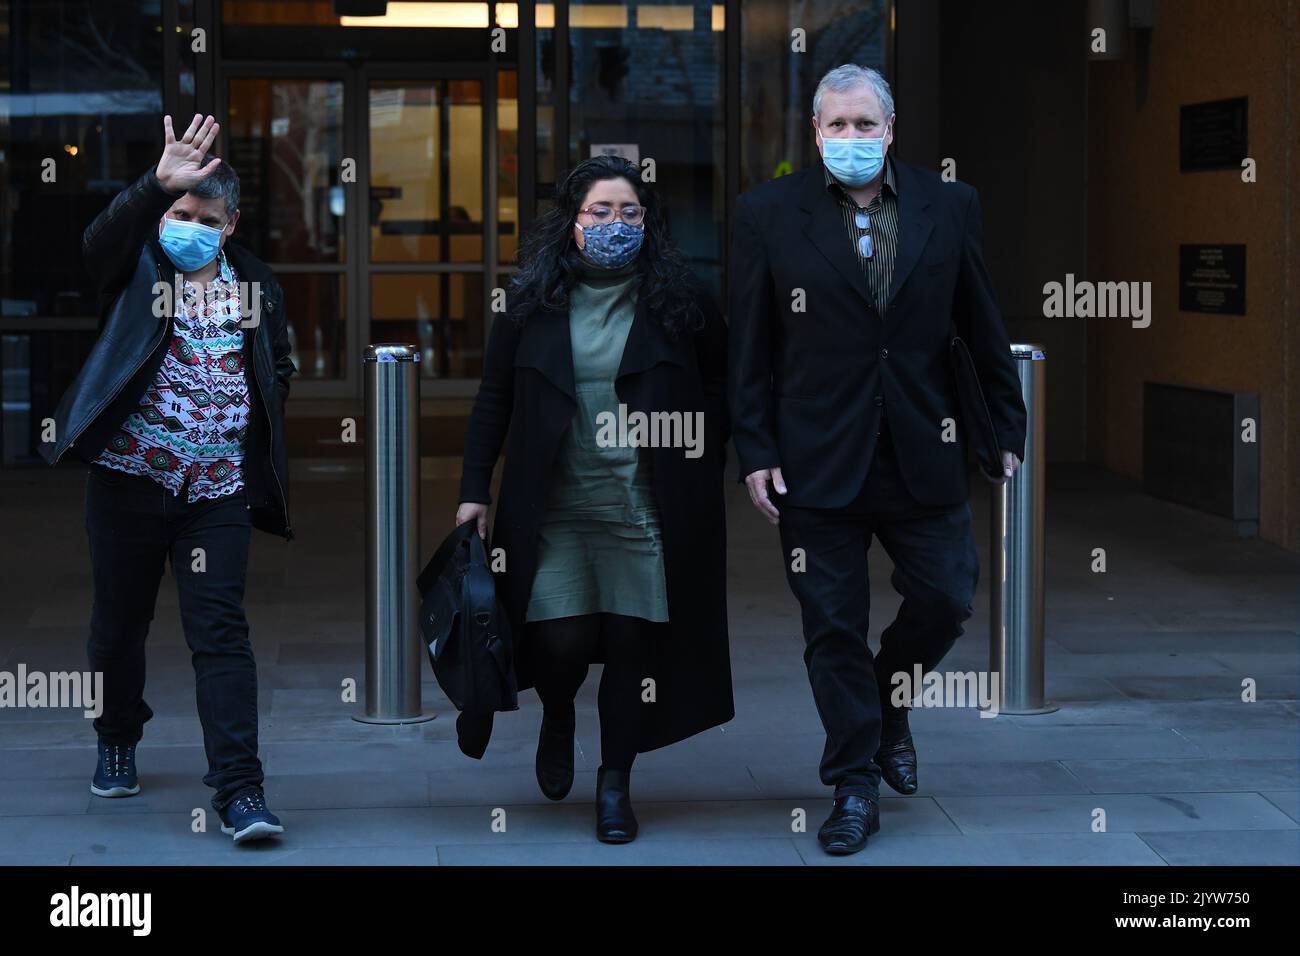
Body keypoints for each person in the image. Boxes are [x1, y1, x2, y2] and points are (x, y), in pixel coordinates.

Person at [728, 65, 1028, 855]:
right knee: (832, 627)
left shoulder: (949, 205)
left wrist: (1006, 426)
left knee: (949, 598)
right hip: (812, 460)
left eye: (866, 126)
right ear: (815, 133)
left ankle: (889, 699)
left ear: (890, 130)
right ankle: (854, 785)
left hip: (923, 451)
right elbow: (749, 346)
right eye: (837, 126)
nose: (852, 139)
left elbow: (982, 320)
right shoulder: (766, 214)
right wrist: (753, 448)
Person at [456, 155, 733, 843]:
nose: (617, 224)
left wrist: (704, 457)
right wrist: (472, 491)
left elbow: (722, 385)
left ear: (649, 222)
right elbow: (494, 399)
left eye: (631, 213)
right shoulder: (529, 302)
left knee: (634, 643)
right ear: (573, 222)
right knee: (559, 637)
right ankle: (557, 712)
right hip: (552, 502)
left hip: (644, 503)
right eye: (601, 212)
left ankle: (615, 783)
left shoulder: (684, 300)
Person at [41, 114, 295, 844]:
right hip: (128, 485)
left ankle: (241, 792)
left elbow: (278, 363)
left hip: (214, 492)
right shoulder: (137, 265)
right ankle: (117, 736)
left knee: (221, 634)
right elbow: (94, 245)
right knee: (119, 629)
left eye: (204, 218)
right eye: (180, 214)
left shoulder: (254, 280)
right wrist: (154, 185)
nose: (189, 227)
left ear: (231, 222)